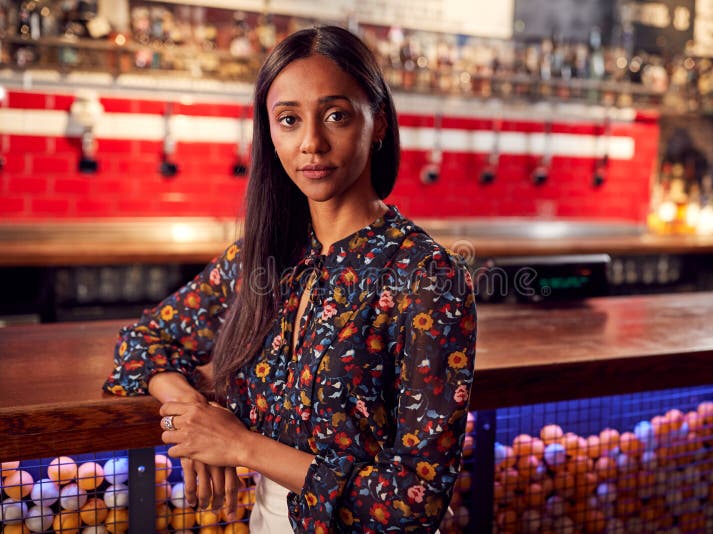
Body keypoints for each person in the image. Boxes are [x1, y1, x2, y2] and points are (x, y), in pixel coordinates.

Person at [104, 25, 477, 533]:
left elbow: (414, 505)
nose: (312, 143)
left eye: (336, 116)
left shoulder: (428, 276)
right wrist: (189, 411)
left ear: (380, 124)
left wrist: (238, 444)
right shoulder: (265, 257)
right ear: (270, 133)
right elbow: (142, 342)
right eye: (288, 120)